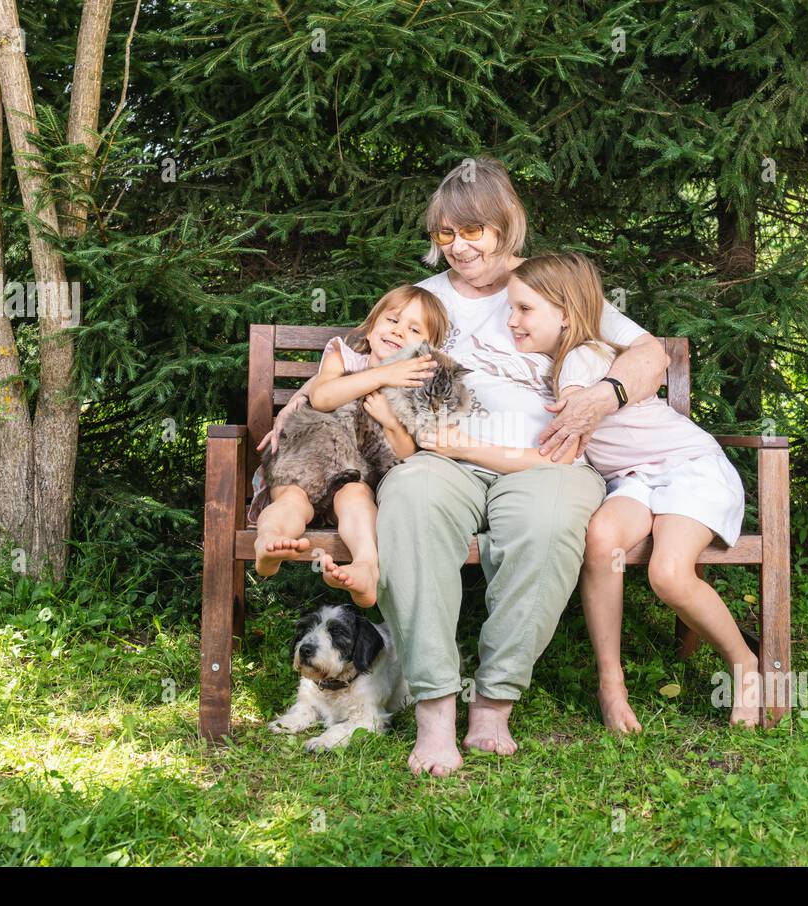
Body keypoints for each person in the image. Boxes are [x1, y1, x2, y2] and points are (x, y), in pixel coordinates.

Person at [259, 157, 669, 776]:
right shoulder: (431, 302)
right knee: (413, 502)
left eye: (472, 231)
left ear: (506, 226)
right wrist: (301, 402)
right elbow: (360, 358)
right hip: (442, 455)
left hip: (545, 458)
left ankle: (494, 704)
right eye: (444, 234)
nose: (458, 247)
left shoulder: (550, 287)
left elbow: (649, 353)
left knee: (552, 522)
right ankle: (435, 709)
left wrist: (603, 396)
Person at [437, 253, 755, 731]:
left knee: (668, 574)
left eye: (525, 310)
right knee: (601, 539)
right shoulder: (557, 356)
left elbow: (560, 447)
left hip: (686, 469)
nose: (512, 320)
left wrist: (460, 446)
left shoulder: (581, 359)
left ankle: (745, 664)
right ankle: (611, 681)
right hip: (632, 481)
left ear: (565, 313)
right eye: (510, 309)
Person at [250, 284, 447, 608]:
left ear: (427, 353)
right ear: (371, 327)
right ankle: (269, 542)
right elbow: (323, 397)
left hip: (356, 473)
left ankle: (366, 566)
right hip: (309, 455)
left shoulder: (416, 386)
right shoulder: (346, 354)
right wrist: (384, 374)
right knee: (291, 500)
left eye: (414, 330)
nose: (398, 332)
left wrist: (390, 420)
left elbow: (406, 454)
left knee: (357, 499)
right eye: (392, 320)